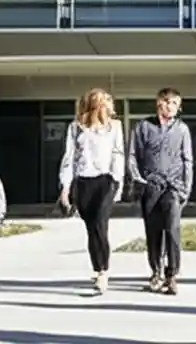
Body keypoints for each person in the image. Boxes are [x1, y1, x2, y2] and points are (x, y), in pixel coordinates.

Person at [58, 88, 125, 295]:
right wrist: (65, 187)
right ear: (95, 106)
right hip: (83, 181)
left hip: (105, 180)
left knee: (100, 224)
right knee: (91, 228)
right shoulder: (76, 128)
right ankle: (97, 268)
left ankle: (104, 271)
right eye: (104, 103)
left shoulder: (114, 127)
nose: (109, 107)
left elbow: (118, 153)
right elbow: (69, 158)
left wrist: (117, 180)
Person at [127, 87, 193, 295]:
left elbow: (187, 160)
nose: (171, 107)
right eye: (167, 102)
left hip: (173, 187)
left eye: (175, 103)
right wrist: (139, 180)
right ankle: (156, 270)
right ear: (159, 104)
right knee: (153, 231)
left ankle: (172, 274)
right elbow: (132, 155)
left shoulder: (182, 129)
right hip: (151, 185)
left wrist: (185, 189)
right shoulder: (144, 127)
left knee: (172, 229)